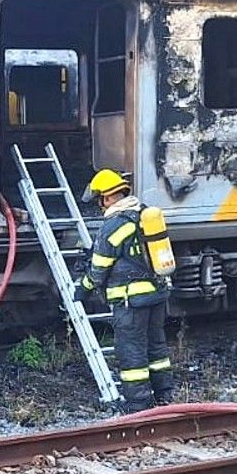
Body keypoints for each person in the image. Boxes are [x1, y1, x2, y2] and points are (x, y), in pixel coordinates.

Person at [76, 168, 173, 412]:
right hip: (157, 293)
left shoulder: (114, 225)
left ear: (108, 197)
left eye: (100, 199)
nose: (100, 205)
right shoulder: (144, 214)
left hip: (130, 300)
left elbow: (99, 268)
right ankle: (164, 396)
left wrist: (83, 289)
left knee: (132, 351)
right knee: (156, 347)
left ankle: (138, 405)